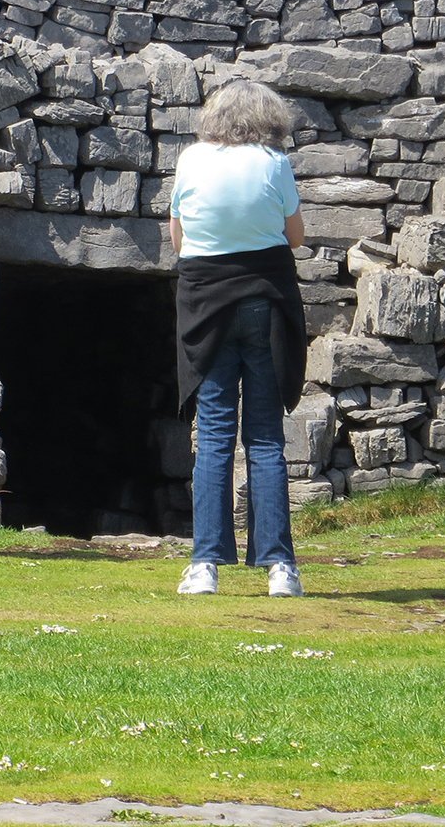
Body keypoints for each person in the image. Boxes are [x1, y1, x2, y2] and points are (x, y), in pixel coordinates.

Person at [170, 79, 308, 598]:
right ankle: (280, 569)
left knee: (214, 438)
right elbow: (295, 236)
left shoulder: (191, 160)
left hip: (206, 307)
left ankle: (205, 564)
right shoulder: (273, 163)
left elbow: (178, 239)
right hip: (264, 304)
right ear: (268, 119)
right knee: (266, 437)